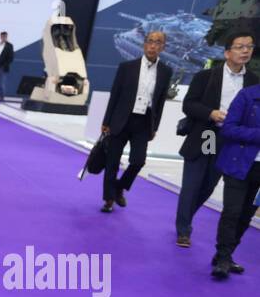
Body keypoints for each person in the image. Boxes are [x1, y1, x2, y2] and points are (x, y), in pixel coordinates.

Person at [176, 32, 256, 248]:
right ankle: (183, 229)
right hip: (209, 134)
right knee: (194, 183)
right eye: (240, 47)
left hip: (233, 141)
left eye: (249, 46)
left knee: (209, 186)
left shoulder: (253, 81)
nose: (246, 51)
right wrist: (211, 113)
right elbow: (189, 104)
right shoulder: (207, 76)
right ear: (227, 52)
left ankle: (185, 216)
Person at [99, 31, 171, 213]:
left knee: (138, 161)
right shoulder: (127, 67)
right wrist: (106, 120)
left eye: (158, 42)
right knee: (112, 162)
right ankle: (108, 199)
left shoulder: (165, 71)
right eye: (150, 41)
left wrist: (155, 126)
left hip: (144, 121)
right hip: (121, 119)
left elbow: (160, 101)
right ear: (144, 44)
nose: (153, 45)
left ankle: (119, 187)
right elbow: (114, 94)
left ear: (163, 47)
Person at [210, 76, 260, 278]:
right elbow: (229, 127)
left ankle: (226, 254)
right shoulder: (248, 95)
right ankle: (222, 258)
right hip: (238, 162)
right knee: (232, 211)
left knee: (247, 214)